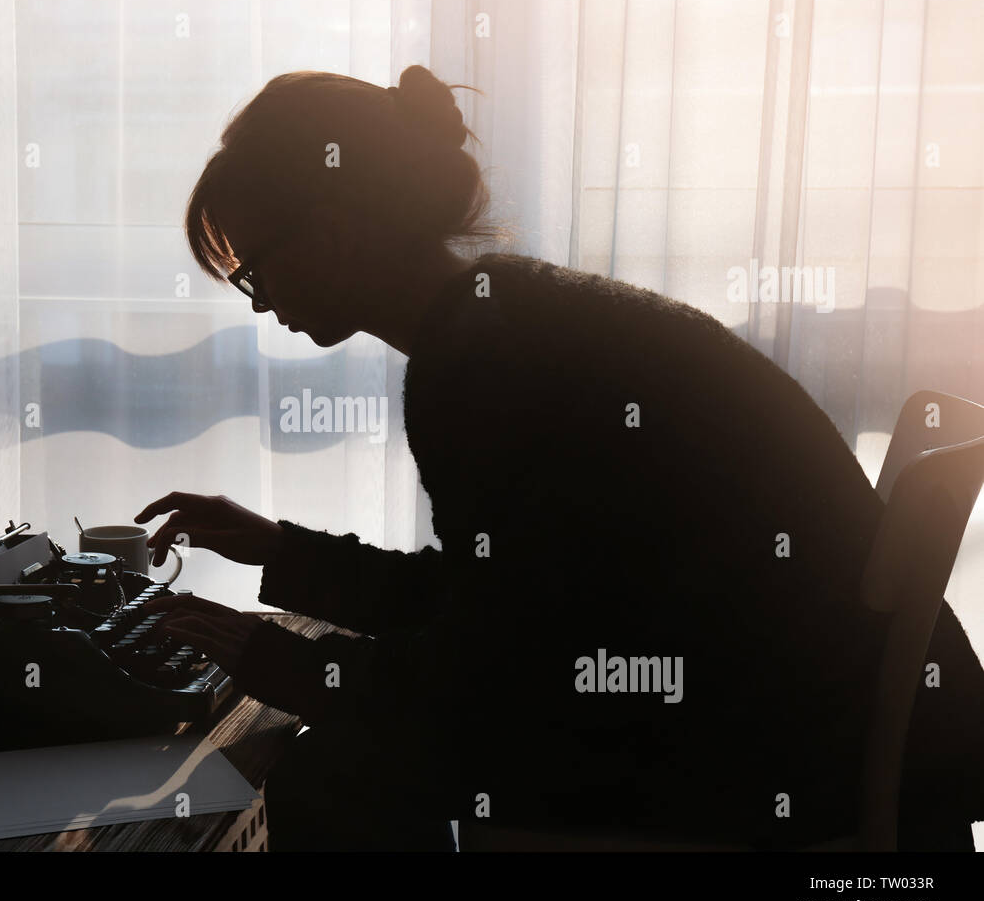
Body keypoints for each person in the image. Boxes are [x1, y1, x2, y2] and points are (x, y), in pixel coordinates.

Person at [135, 66, 984, 850]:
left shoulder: (484, 367)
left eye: (256, 271)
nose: (262, 303)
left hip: (788, 763)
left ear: (331, 231)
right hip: (863, 736)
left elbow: (500, 674)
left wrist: (279, 665)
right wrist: (286, 556)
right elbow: (511, 604)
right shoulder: (513, 314)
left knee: (328, 785)